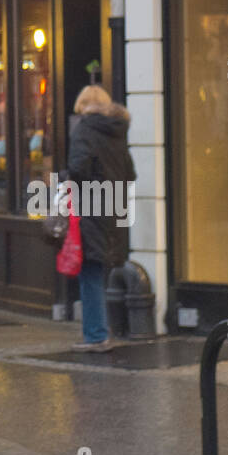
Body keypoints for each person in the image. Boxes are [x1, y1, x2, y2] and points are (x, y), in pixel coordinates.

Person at [66, 84, 137, 352]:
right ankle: (100, 331)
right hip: (116, 206)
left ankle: (96, 335)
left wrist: (66, 178)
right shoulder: (118, 132)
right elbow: (130, 173)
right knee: (102, 268)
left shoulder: (84, 129)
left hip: (92, 207)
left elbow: (78, 168)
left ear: (83, 105)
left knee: (90, 271)